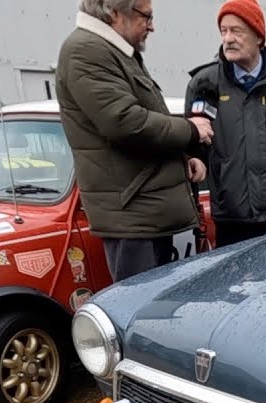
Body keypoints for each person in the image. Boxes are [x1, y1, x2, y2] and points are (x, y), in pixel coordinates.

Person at [56, 0, 214, 282]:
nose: (151, 26)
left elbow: (139, 127)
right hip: (134, 220)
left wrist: (182, 162)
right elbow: (125, 123)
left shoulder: (113, 52)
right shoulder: (86, 51)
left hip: (146, 214)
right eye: (146, 16)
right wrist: (190, 130)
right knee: (140, 316)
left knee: (160, 313)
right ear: (115, 13)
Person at [186, 0, 266, 247]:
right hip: (230, 220)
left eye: (237, 31)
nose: (228, 38)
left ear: (258, 37)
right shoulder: (204, 84)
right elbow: (195, 147)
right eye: (224, 31)